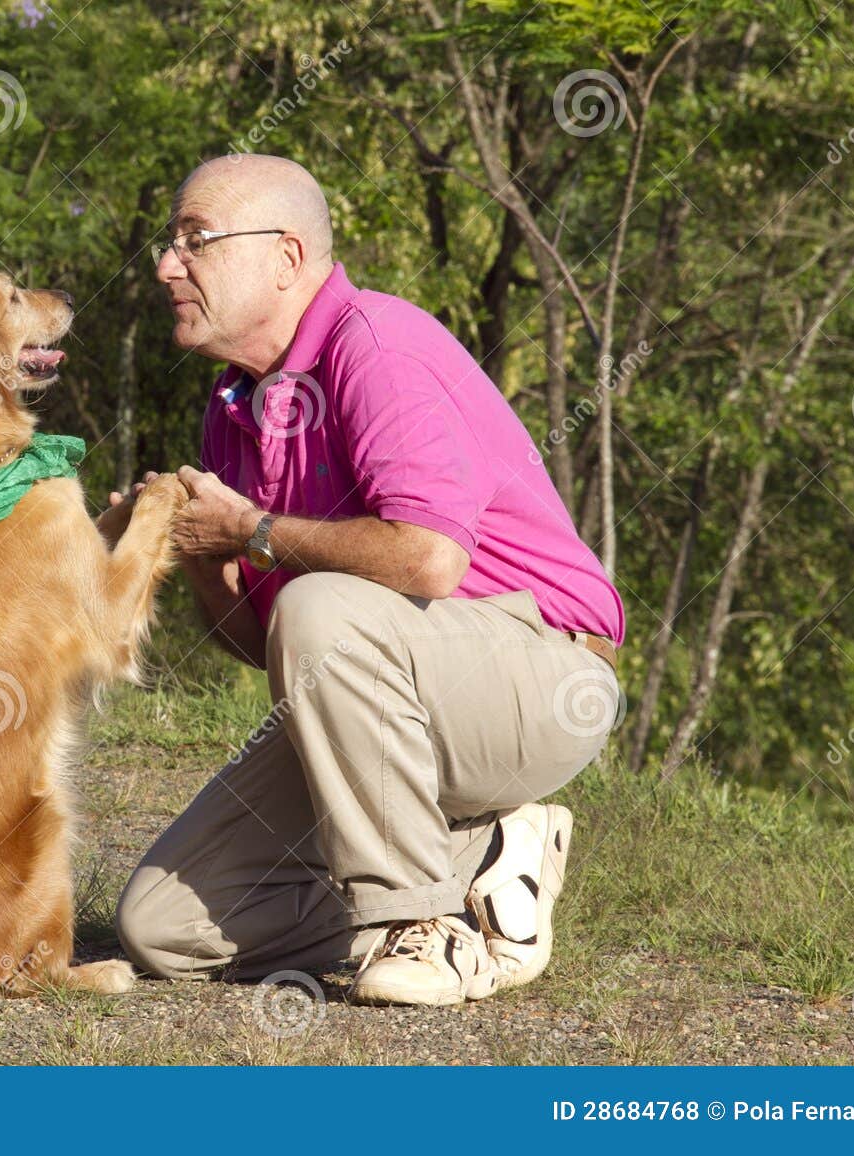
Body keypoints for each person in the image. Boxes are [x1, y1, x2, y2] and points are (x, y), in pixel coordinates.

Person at [108, 154, 625, 1006]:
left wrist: (257, 531)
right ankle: (487, 861)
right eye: (169, 243)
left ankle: (424, 929)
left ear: (284, 256)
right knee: (164, 924)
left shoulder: (376, 344)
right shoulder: (234, 402)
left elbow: (428, 558)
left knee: (321, 605)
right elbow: (282, 648)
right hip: (399, 692)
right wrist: (205, 556)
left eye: (194, 241)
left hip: (543, 674)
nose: (167, 265)